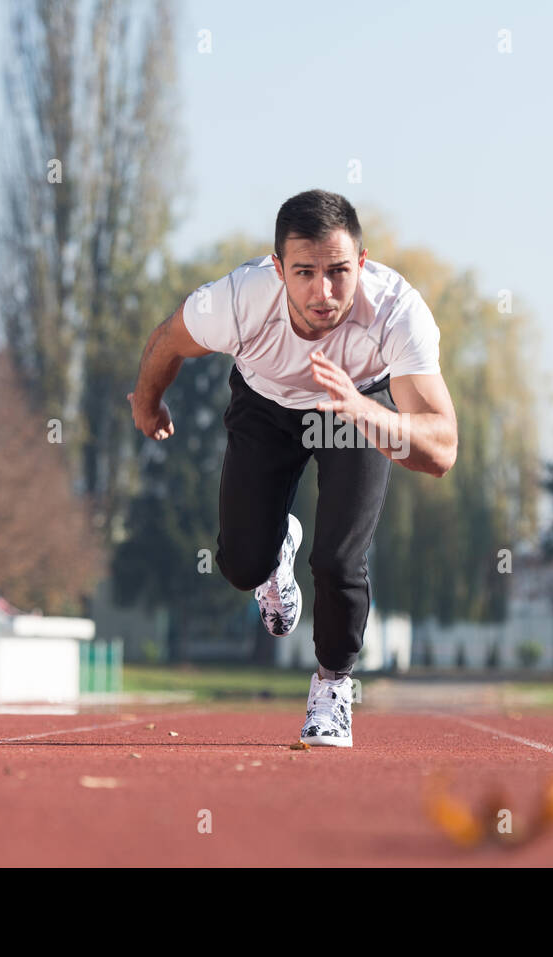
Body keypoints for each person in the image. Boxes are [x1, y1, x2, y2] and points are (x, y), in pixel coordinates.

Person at [127, 189, 457, 747]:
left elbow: (442, 450)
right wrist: (146, 400)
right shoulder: (238, 299)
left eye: (339, 271)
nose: (323, 292)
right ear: (277, 268)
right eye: (304, 272)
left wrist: (365, 411)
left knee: (337, 559)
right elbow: (168, 340)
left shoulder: (398, 312)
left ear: (363, 262)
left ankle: (332, 690)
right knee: (240, 564)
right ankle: (276, 550)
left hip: (357, 405)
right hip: (266, 406)